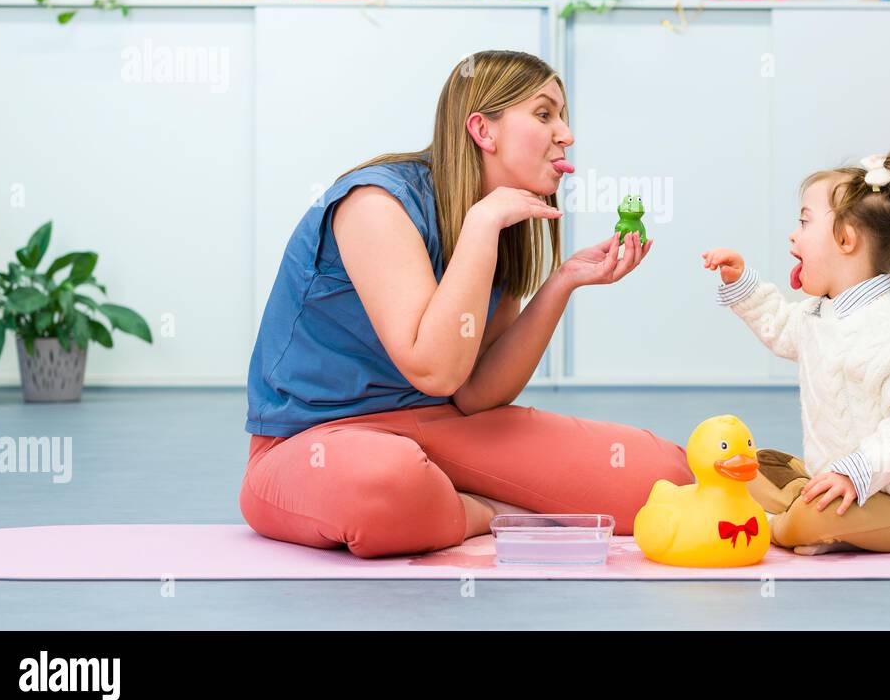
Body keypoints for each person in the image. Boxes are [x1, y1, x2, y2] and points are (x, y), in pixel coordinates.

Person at [240, 50, 693, 558]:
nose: (565, 134)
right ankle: (492, 514)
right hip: (317, 440)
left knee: (664, 478)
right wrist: (480, 228)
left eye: (562, 118)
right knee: (386, 487)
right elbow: (435, 372)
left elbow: (475, 394)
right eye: (545, 115)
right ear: (483, 129)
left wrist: (562, 282)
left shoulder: (505, 218)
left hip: (445, 428)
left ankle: (448, 501)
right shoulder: (377, 204)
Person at [701, 150, 890, 553]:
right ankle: (814, 513)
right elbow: (781, 326)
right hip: (841, 484)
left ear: (845, 240)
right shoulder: (821, 314)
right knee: (754, 466)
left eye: (804, 221)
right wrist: (743, 283)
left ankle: (783, 525)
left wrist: (855, 474)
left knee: (812, 513)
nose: (793, 235)